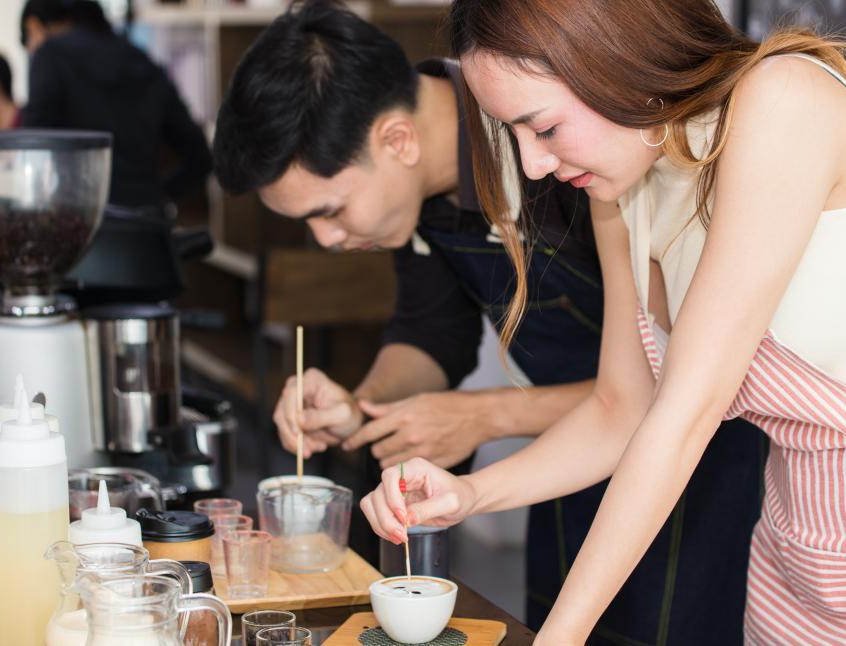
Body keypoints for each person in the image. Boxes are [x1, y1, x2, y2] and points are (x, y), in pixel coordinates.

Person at [213, 1, 766, 640]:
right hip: (569, 458)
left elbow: (678, 387)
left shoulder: (580, 144)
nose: (327, 239)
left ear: (398, 141)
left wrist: (488, 414)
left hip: (696, 466)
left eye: (331, 210)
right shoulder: (427, 184)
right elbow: (432, 334)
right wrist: (365, 404)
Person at [360, 0, 846, 643]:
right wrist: (469, 494)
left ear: (614, 62)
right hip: (798, 553)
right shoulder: (621, 193)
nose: (533, 166)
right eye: (514, 136)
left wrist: (559, 636)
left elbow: (684, 415)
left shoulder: (784, 100)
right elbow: (623, 409)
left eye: (545, 128)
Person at [19, 0, 212, 214]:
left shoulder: (50, 56)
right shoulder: (145, 63)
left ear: (34, 26)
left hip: (77, 223)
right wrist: (158, 195)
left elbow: (33, 150)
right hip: (144, 224)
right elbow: (201, 157)